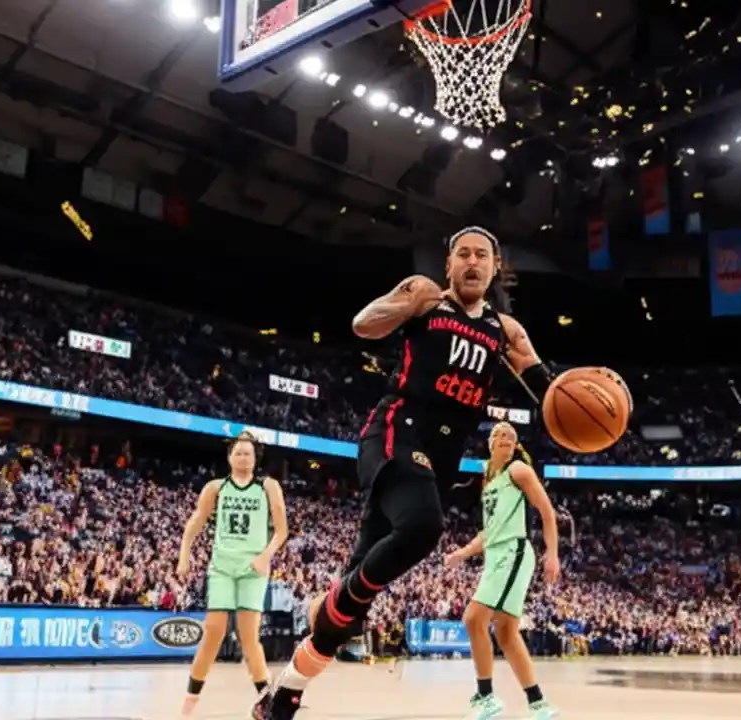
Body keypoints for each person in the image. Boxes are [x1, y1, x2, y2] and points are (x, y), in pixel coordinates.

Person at [253, 226, 550, 720]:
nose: (472, 262)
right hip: (395, 432)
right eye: (463, 254)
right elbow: (363, 325)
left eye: (482, 255)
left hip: (436, 463)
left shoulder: (508, 332)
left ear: (496, 266)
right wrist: (409, 303)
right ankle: (333, 603)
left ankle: (281, 696)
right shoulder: (426, 295)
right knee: (424, 527)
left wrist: (577, 401)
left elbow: (549, 393)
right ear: (449, 264)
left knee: (344, 616)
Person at [444, 422, 560, 720]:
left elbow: (547, 511)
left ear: (515, 446)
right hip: (496, 553)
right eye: (500, 433)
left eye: (511, 435)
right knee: (506, 634)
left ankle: (486, 697)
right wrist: (461, 553)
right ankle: (539, 704)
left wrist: (553, 554)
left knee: (473, 619)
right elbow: (488, 533)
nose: (506, 437)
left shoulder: (519, 471)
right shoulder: (488, 481)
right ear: (490, 443)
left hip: (514, 551)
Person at [177, 431, 289, 716]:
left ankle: (265, 699)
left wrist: (265, 556)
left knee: (249, 635)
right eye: (237, 452)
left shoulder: (268, 486)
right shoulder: (216, 487)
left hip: (254, 568)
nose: (242, 457)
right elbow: (196, 520)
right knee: (213, 631)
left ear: (255, 458)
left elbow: (282, 530)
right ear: (229, 457)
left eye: (247, 453)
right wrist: (184, 554)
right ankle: (190, 699)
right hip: (223, 566)